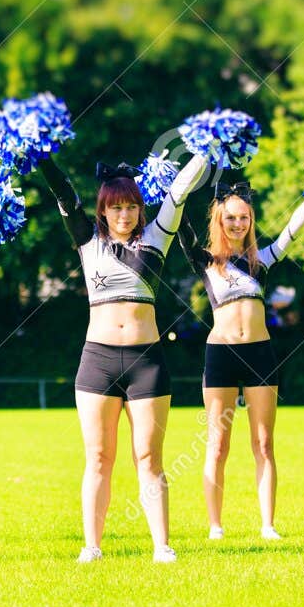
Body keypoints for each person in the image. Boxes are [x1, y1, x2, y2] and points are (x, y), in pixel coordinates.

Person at [37, 153, 209, 563]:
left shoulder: (156, 238)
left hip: (146, 364)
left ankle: (161, 546)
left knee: (149, 458)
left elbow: (181, 191)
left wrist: (208, 147)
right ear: (103, 209)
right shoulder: (87, 241)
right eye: (116, 207)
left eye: (132, 206)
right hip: (96, 362)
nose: (125, 214)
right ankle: (91, 546)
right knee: (98, 457)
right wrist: (40, 154)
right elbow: (63, 194)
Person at [177, 180, 304, 541]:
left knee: (264, 443)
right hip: (221, 354)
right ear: (219, 221)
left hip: (260, 355)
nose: (237, 224)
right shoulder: (207, 261)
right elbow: (179, 226)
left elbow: (293, 229)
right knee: (218, 444)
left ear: (251, 220)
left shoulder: (262, 261)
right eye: (230, 218)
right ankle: (215, 526)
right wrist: (172, 190)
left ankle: (268, 525)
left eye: (244, 218)